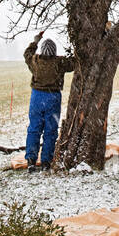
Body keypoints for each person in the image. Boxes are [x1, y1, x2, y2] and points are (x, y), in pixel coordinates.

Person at [23, 31, 76, 172]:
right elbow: (75, 63)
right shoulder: (59, 63)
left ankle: (31, 160)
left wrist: (36, 41)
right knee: (50, 131)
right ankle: (46, 161)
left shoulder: (35, 61)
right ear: (54, 52)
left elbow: (27, 53)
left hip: (36, 97)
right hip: (53, 98)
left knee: (34, 129)